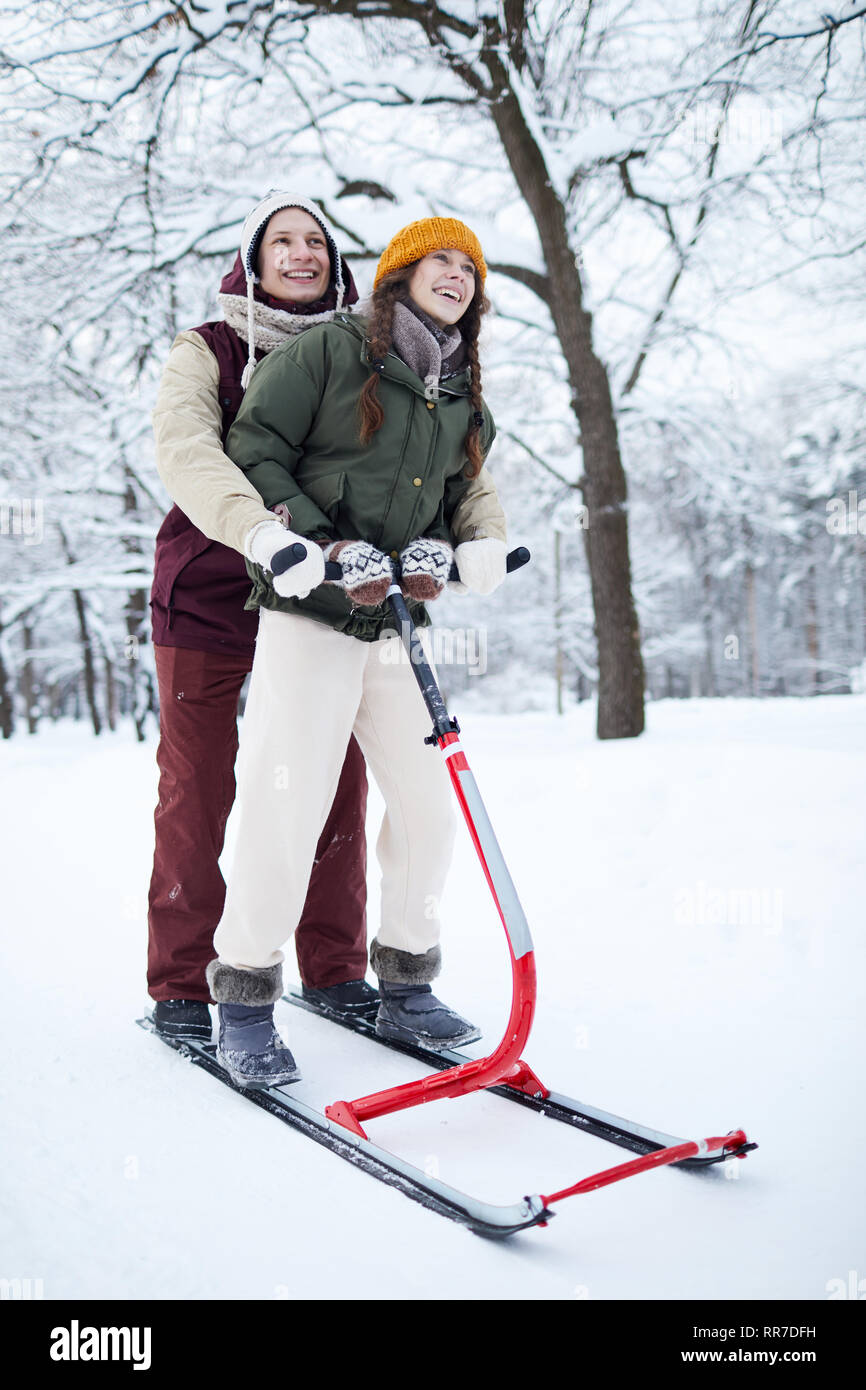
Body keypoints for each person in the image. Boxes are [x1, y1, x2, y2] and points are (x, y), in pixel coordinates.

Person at [205, 216, 510, 1087]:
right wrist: (326, 546)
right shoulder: (331, 353)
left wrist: (448, 550)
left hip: (393, 632)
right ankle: (248, 994)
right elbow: (253, 449)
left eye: (468, 269)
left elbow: (463, 491)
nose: (455, 276)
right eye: (439, 261)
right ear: (399, 274)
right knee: (283, 807)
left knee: (428, 803)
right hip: (308, 615)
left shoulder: (459, 388)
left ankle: (407, 978)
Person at [147, 193, 375, 1040]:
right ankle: (181, 982)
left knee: (334, 784)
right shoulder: (205, 351)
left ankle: (337, 968)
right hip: (207, 594)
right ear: (253, 258)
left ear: (336, 262)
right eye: (282, 240)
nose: (301, 252)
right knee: (196, 790)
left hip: (318, 600)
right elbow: (186, 450)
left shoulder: (363, 357)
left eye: (315, 239)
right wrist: (251, 526)